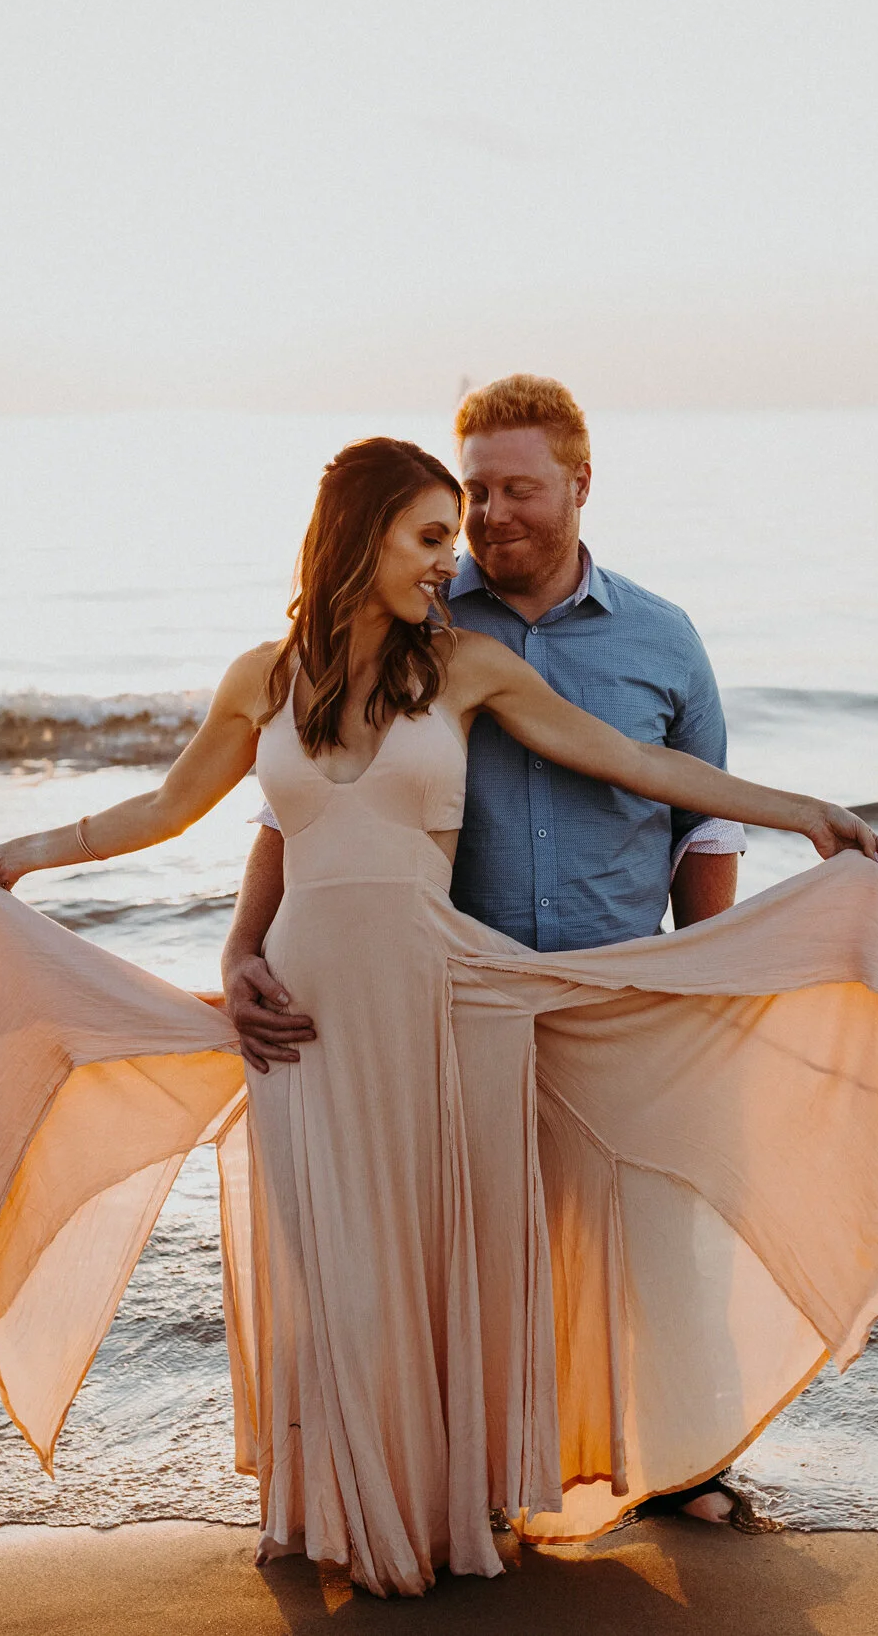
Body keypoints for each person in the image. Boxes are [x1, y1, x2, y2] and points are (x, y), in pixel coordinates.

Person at [0, 436, 878, 1598]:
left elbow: (633, 762)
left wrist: (808, 815)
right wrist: (19, 857)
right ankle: (341, 1505)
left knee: (440, 1257)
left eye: (449, 540)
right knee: (335, 1268)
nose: (442, 564)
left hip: (448, 993)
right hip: (304, 1015)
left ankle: (450, 1509)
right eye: (424, 538)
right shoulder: (263, 675)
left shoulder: (463, 669)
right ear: (358, 536)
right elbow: (166, 804)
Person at [226, 374, 744, 1524]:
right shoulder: (419, 617)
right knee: (478, 1247)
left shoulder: (663, 635)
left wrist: (701, 974)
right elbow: (301, 806)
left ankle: (689, 1462)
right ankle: (491, 1472)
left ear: (578, 485)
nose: (494, 511)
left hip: (617, 983)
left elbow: (697, 809)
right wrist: (243, 944)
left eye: (519, 487)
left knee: (653, 1233)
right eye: (476, 489)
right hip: (451, 994)